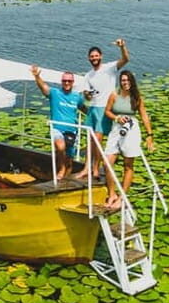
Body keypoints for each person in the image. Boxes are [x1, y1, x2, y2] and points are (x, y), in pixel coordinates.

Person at [75, 38, 130, 180]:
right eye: (92, 56)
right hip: (92, 108)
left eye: (96, 56)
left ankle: (95, 169)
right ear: (89, 58)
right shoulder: (88, 75)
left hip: (104, 108)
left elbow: (125, 59)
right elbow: (86, 97)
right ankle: (86, 168)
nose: (94, 58)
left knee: (98, 139)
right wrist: (87, 95)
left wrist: (122, 47)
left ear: (101, 56)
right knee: (89, 140)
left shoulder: (109, 68)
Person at [103, 70, 155, 208]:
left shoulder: (137, 97)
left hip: (132, 130)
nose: (125, 83)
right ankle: (112, 194)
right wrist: (117, 118)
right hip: (116, 129)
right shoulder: (114, 94)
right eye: (123, 80)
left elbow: (144, 116)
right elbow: (107, 111)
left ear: (131, 81)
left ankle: (122, 198)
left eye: (127, 80)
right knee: (107, 163)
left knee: (128, 165)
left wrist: (149, 135)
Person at [30, 66, 85, 179]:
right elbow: (44, 87)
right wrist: (37, 76)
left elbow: (85, 109)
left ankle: (65, 180)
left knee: (69, 161)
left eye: (69, 81)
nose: (66, 83)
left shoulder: (77, 97)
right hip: (57, 128)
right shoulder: (55, 93)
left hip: (72, 130)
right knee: (60, 147)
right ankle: (61, 169)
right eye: (64, 81)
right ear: (61, 82)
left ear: (73, 82)